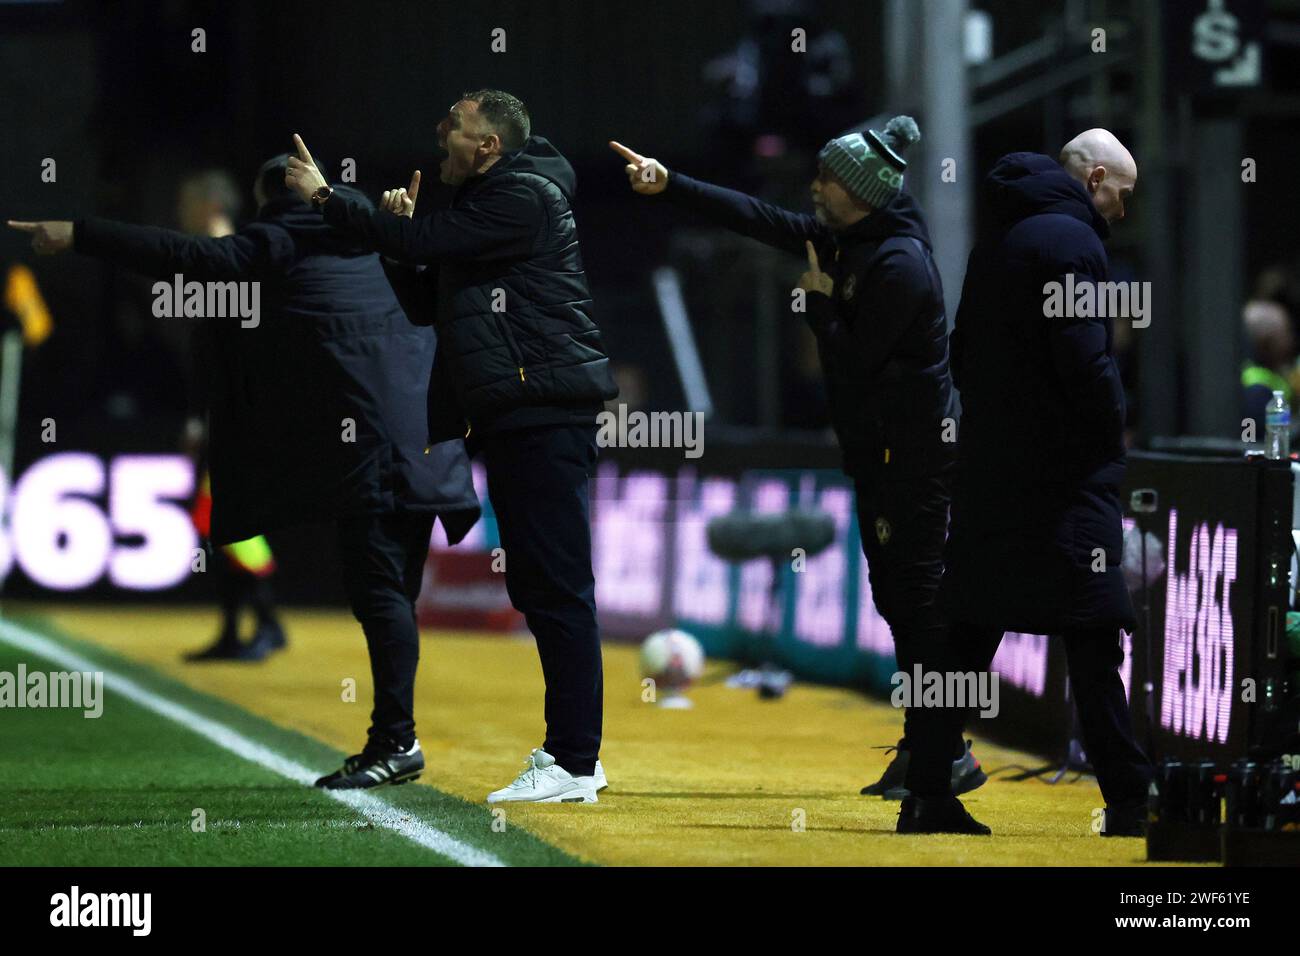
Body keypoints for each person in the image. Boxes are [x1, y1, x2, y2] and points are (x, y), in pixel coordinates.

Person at [8, 153, 481, 790]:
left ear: (268, 202)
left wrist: (81, 233)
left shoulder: (279, 241)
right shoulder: (382, 239)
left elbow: (182, 257)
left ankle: (395, 741)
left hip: (370, 448)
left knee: (381, 597)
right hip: (432, 442)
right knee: (394, 596)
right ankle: (396, 735)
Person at [610, 117, 984, 801]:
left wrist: (817, 307)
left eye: (828, 179)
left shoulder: (898, 265)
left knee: (917, 601)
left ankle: (945, 749)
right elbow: (758, 218)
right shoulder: (851, 238)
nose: (814, 188)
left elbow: (850, 362)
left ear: (863, 191)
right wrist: (670, 186)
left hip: (916, 457)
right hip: (882, 454)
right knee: (899, 599)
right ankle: (930, 742)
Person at [284, 89, 619, 803]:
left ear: (489, 144)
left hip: (545, 411)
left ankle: (574, 761)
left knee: (557, 587)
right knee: (541, 585)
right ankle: (573, 757)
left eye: (456, 129)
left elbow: (421, 245)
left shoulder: (521, 195)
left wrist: (329, 201)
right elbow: (424, 301)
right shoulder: (489, 207)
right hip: (519, 415)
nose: (441, 137)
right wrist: (404, 249)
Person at [902, 129, 1154, 835]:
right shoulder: (1073, 244)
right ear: (1096, 176)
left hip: (991, 472)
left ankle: (925, 793)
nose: (1121, 213)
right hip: (1064, 478)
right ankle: (1132, 802)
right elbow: (1085, 362)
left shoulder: (998, 243)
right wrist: (1111, 428)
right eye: (1121, 196)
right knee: (1098, 633)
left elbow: (962, 353)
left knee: (966, 637)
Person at [173, 169, 286, 662]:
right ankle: (234, 629)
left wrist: (211, 416)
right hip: (224, 411)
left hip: (234, 415)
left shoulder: (229, 259)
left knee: (231, 522)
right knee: (219, 522)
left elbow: (230, 349)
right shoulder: (220, 259)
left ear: (209, 206)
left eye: (188, 202)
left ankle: (266, 623)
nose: (181, 212)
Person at [1240, 299, 1295, 439]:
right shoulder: (1256, 389)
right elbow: (1249, 438)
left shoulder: (1275, 374)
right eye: (1286, 333)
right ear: (1267, 341)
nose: (1291, 339)